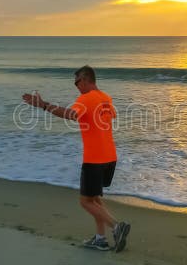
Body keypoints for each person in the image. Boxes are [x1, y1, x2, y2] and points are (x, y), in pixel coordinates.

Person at [23, 65, 130, 252]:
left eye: (77, 81)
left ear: (87, 79)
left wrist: (44, 105)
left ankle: (116, 226)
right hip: (110, 156)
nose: (76, 86)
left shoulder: (86, 98)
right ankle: (100, 239)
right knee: (95, 198)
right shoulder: (106, 98)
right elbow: (111, 116)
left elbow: (71, 115)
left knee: (85, 201)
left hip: (94, 158)